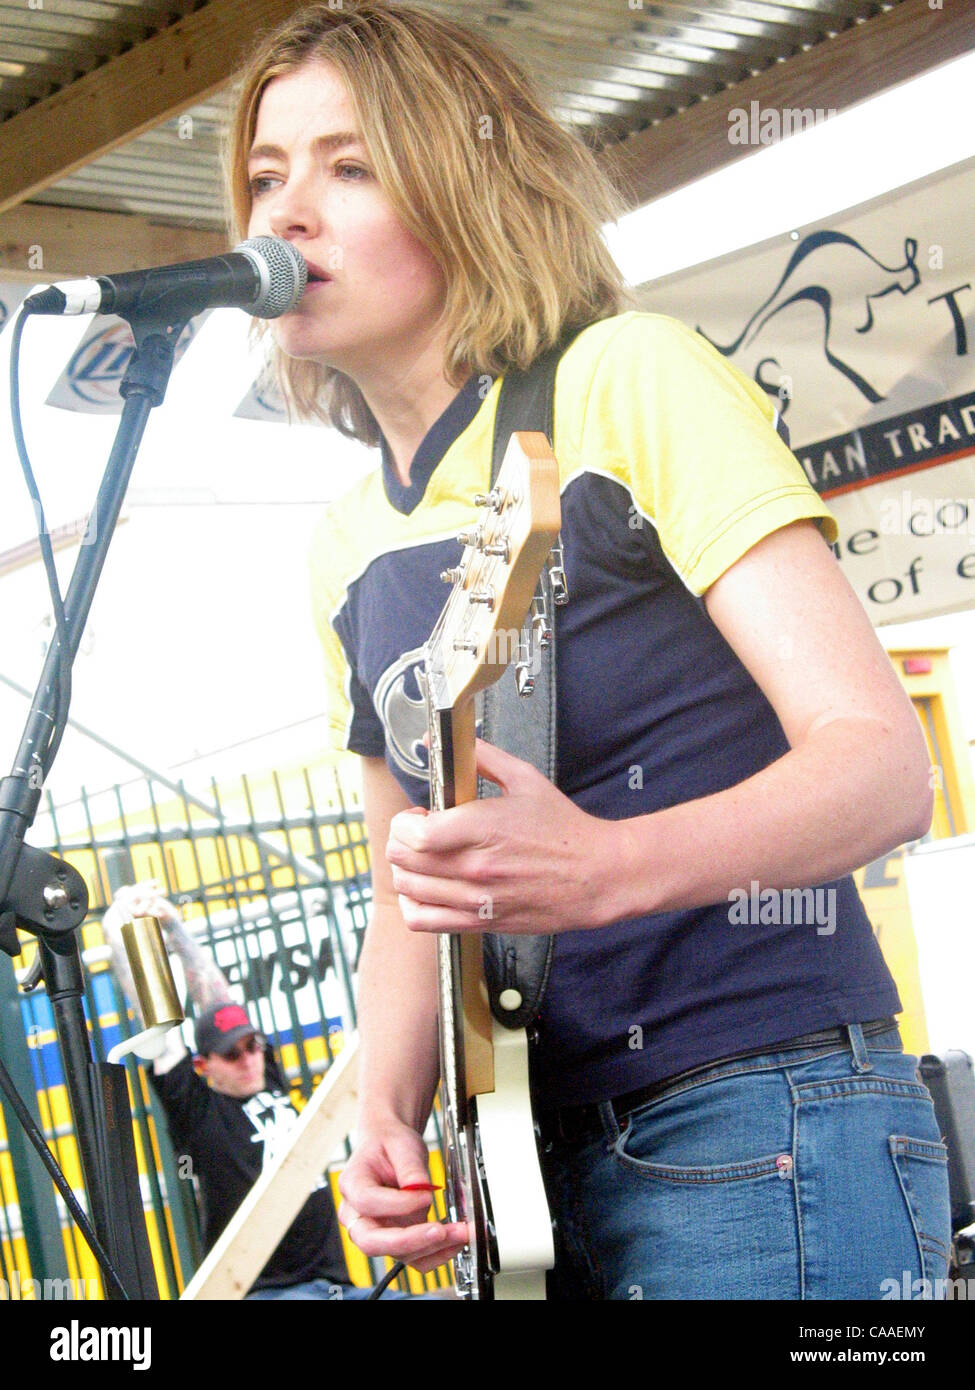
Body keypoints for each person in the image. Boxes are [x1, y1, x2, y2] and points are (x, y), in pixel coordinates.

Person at [226, 1, 952, 1299]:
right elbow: (410, 879)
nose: (282, 213)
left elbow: (878, 768)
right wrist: (383, 1111)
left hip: (757, 1108)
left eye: (348, 166)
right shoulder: (338, 545)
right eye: (265, 175)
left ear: (466, 187)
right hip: (524, 1164)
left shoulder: (625, 379)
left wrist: (612, 864)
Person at [102, 880, 395, 1300]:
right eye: (232, 1054)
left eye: (252, 1046)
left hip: (336, 1288)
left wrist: (176, 929)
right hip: (266, 1292)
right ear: (204, 1066)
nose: (248, 1059)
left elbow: (217, 998)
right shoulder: (197, 1108)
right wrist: (119, 925)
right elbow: (159, 1028)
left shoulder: (267, 1078)